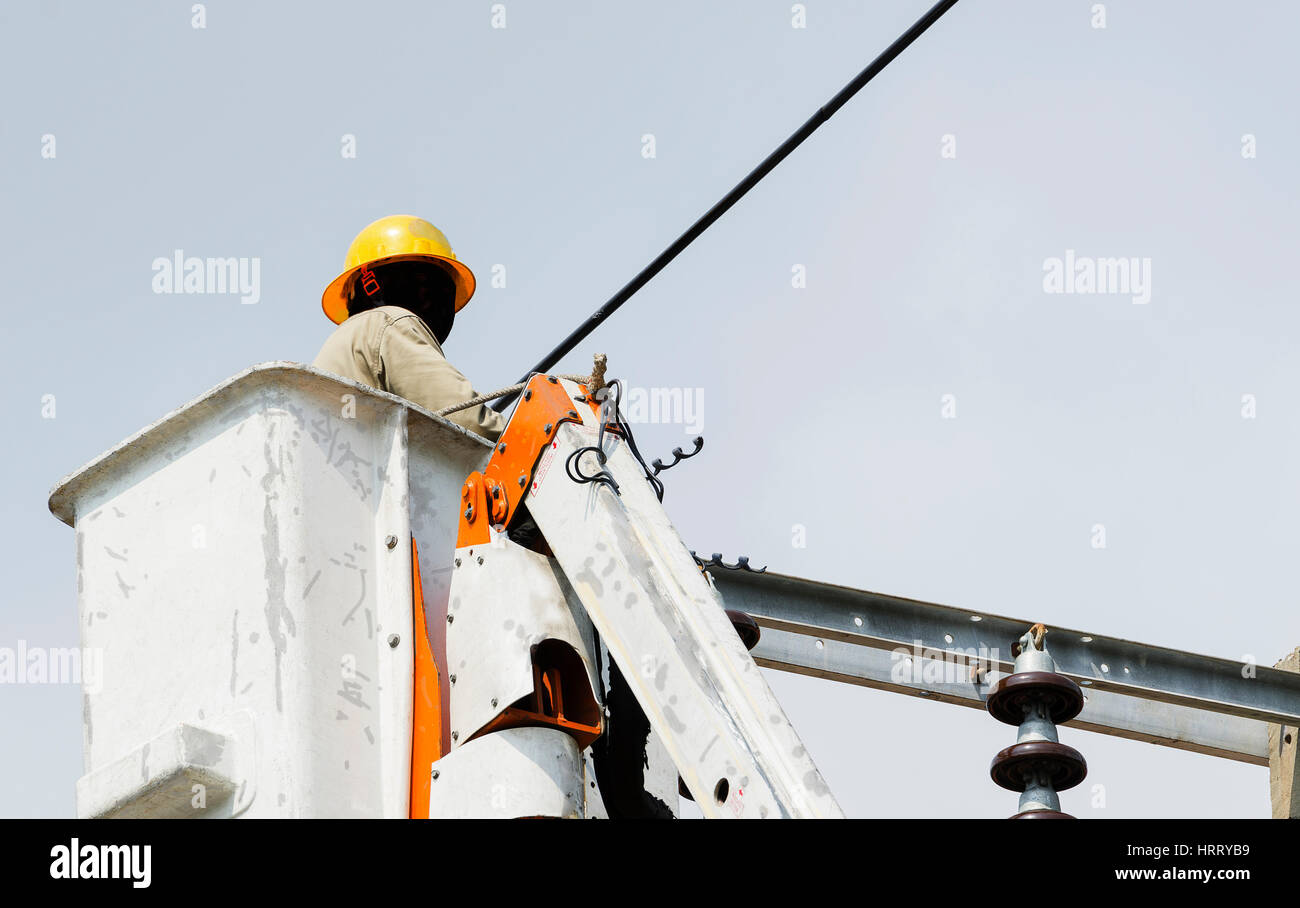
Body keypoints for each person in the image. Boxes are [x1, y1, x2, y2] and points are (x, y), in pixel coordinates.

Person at [313, 215, 507, 441]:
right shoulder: (387, 323)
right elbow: (471, 421)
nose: (433, 297)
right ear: (370, 284)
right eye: (423, 280)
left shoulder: (350, 341)